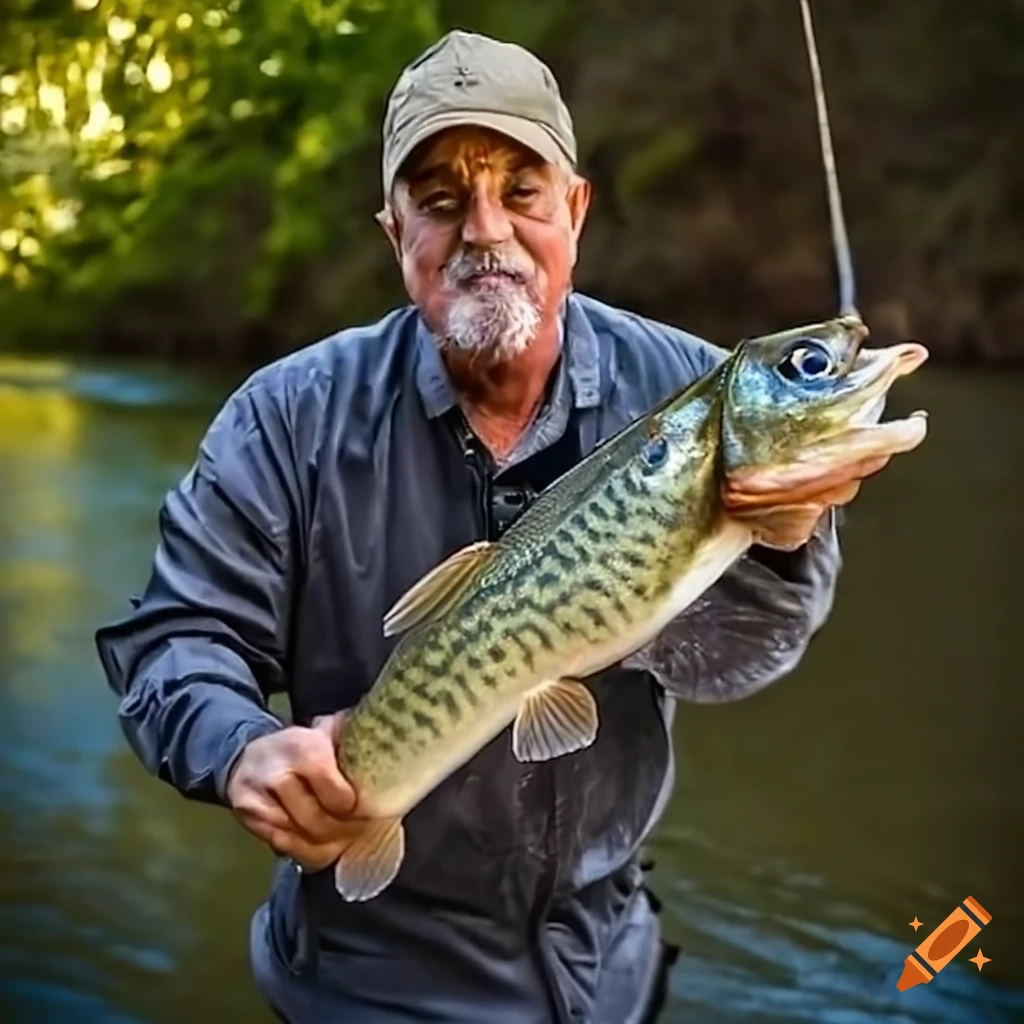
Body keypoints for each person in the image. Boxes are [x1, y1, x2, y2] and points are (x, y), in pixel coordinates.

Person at [95, 30, 887, 1024]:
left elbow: (746, 653)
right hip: (364, 985)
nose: (484, 229)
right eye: (438, 200)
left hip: (606, 974)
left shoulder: (691, 384)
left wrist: (787, 529)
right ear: (394, 235)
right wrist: (242, 747)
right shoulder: (282, 418)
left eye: (522, 191)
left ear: (575, 211)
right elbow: (173, 642)